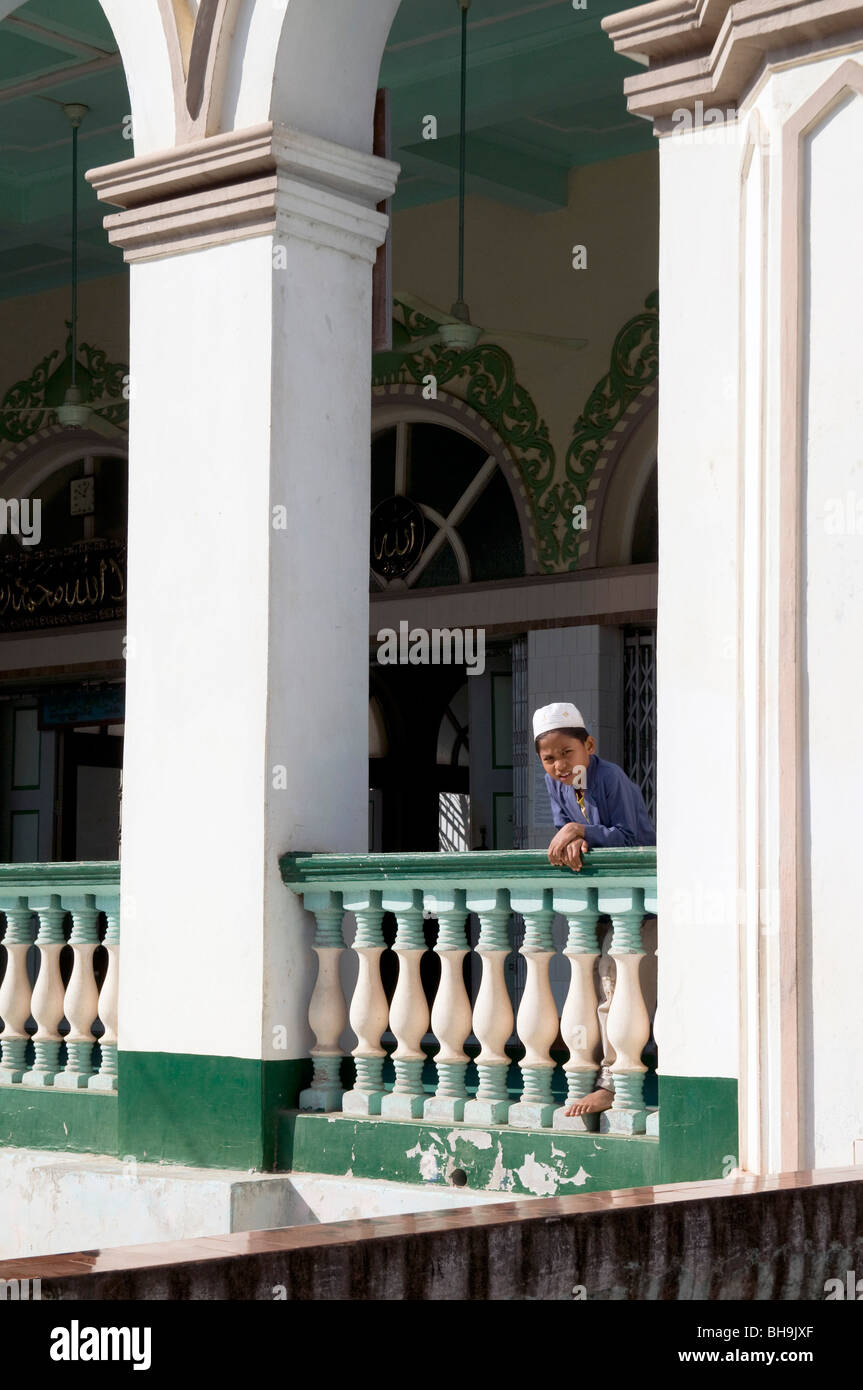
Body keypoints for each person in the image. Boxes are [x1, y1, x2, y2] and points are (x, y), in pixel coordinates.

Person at [532, 701, 656, 1119]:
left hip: (640, 905)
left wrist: (580, 830)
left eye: (568, 753)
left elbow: (634, 840)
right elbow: (564, 828)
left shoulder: (610, 778)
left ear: (589, 745)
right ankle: (600, 1079)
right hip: (604, 905)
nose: (559, 765)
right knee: (599, 989)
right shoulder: (559, 785)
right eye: (549, 759)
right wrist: (575, 838)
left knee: (620, 990)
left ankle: (612, 1084)